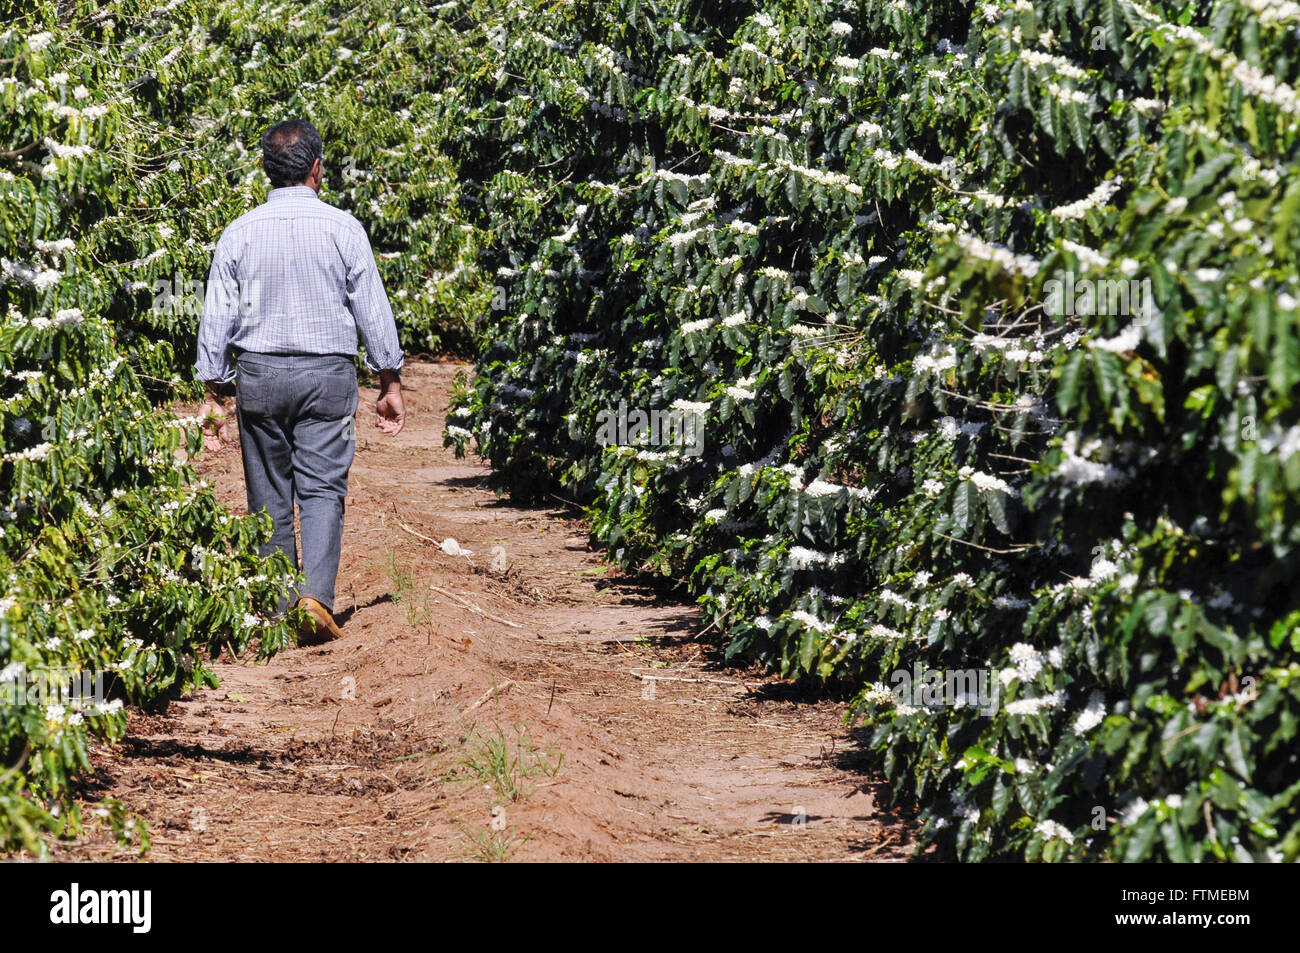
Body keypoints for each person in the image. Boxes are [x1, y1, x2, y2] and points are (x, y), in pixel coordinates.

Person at [194, 118, 405, 644]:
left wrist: (214, 393)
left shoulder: (238, 232)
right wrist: (389, 379)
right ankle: (315, 597)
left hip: (259, 373)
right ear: (316, 168)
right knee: (323, 487)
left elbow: (217, 315)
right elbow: (371, 307)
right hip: (326, 375)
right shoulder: (344, 228)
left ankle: (278, 608)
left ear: (266, 170)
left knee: (267, 494)